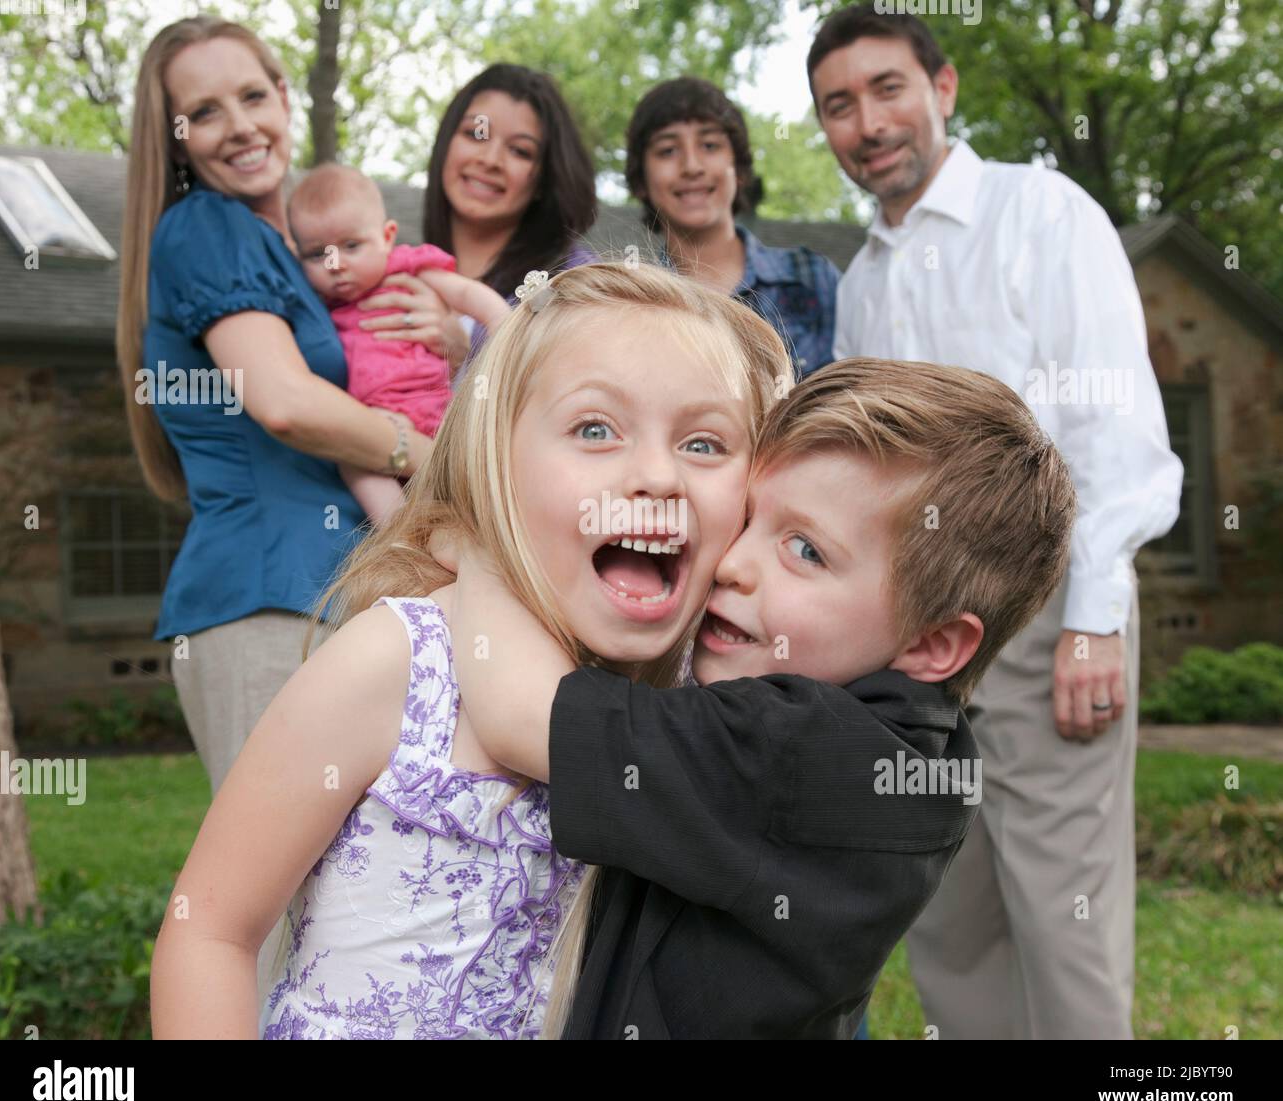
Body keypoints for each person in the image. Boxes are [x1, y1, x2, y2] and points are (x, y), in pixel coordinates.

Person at [147, 263, 790, 1039]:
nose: (656, 475)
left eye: (704, 442)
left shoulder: (702, 692)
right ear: (498, 461)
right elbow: (209, 929)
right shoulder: (400, 662)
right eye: (595, 429)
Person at [439, 358, 1077, 1039]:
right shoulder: (926, 748)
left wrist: (477, 554)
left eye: (805, 551)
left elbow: (520, 717)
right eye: (747, 519)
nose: (734, 563)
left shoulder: (797, 746)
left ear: (934, 643)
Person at [810, 4, 1183, 1038]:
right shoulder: (860, 285)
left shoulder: (1043, 215)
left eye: (886, 88)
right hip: (919, 631)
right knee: (948, 909)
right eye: (838, 106)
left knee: (1062, 912)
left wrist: (1095, 616)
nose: (867, 121)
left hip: (1047, 603)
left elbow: (1114, 426)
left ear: (943, 88)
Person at [116, 16, 433, 797]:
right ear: (177, 138)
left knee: (335, 904)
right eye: (206, 112)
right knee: (275, 908)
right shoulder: (206, 228)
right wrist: (434, 458)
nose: (241, 126)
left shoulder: (281, 249)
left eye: (253, 95)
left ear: (285, 97)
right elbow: (286, 404)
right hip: (263, 606)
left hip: (325, 596)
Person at [352, 64, 602, 381]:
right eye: (475, 134)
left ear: (543, 178)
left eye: (520, 151)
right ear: (445, 144)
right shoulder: (393, 270)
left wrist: (464, 356)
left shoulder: (574, 284)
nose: (490, 160)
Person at [626, 76, 840, 379]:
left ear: (738, 169)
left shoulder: (812, 277)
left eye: (710, 145)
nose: (691, 166)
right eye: (667, 151)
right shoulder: (632, 303)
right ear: (641, 181)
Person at [288, 162, 458, 524]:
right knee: (354, 459)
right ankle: (399, 535)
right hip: (376, 419)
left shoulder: (408, 270)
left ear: (388, 236)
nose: (335, 264)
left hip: (436, 407)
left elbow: (477, 301)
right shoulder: (317, 307)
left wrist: (477, 329)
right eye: (317, 254)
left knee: (457, 486)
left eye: (352, 245)